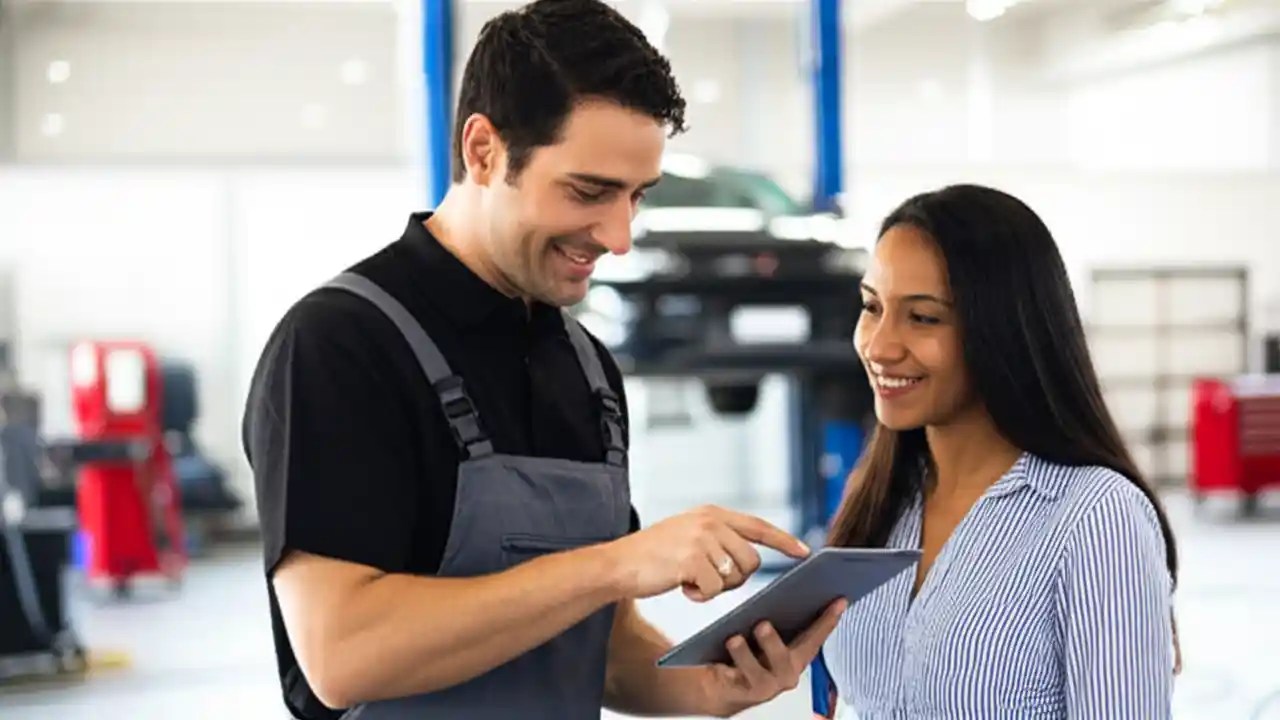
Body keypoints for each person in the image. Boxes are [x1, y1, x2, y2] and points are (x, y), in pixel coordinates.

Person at [241, 1, 845, 718]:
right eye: (588, 192)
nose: (619, 237)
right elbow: (341, 654)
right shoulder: (340, 346)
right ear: (484, 151)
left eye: (636, 197)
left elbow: (602, 643)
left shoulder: (587, 369)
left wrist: (714, 684)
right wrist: (618, 562)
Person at [815, 184, 1182, 718]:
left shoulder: (1097, 517)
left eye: (923, 317)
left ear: (1001, 331)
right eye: (872, 307)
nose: (879, 345)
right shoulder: (886, 502)